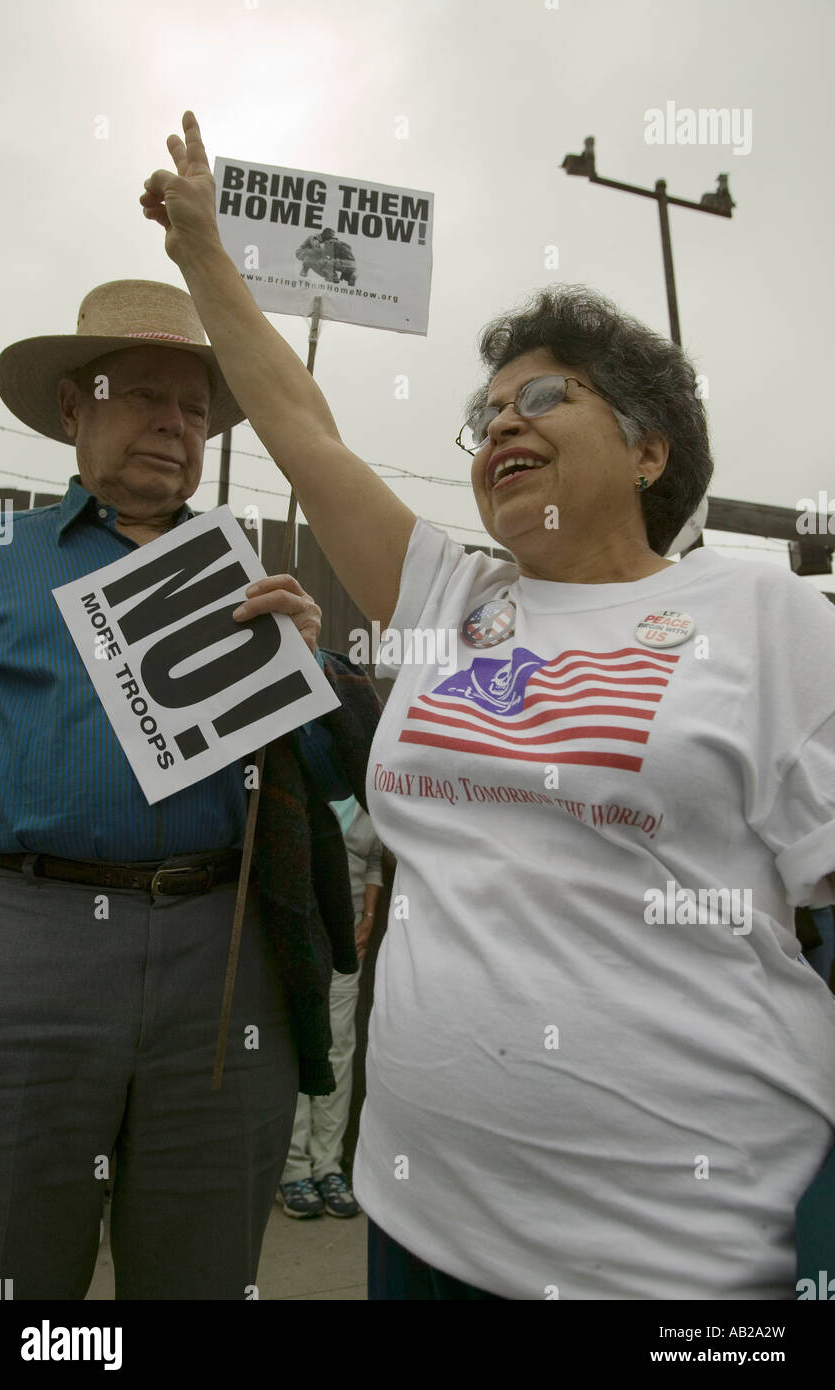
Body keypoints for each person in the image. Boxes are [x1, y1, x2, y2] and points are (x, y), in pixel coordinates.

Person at [141, 112, 835, 1300]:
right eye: (486, 413)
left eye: (545, 396)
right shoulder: (452, 601)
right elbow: (301, 429)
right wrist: (205, 252)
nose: (501, 422)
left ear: (651, 449)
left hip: (690, 1262)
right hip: (422, 1224)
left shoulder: (779, 626)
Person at [0, 277, 382, 1300]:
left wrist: (310, 669)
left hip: (226, 956)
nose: (173, 423)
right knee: (8, 1265)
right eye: (141, 393)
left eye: (194, 408)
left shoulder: (252, 578)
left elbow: (340, 778)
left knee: (201, 1268)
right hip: (19, 944)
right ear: (73, 407)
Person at [278, 795, 383, 1218]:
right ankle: (293, 1170)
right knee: (300, 1043)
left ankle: (328, 1164)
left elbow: (374, 860)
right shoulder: (299, 784)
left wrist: (369, 918)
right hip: (300, 932)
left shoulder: (365, 790)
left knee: (339, 1048)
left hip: (349, 937)